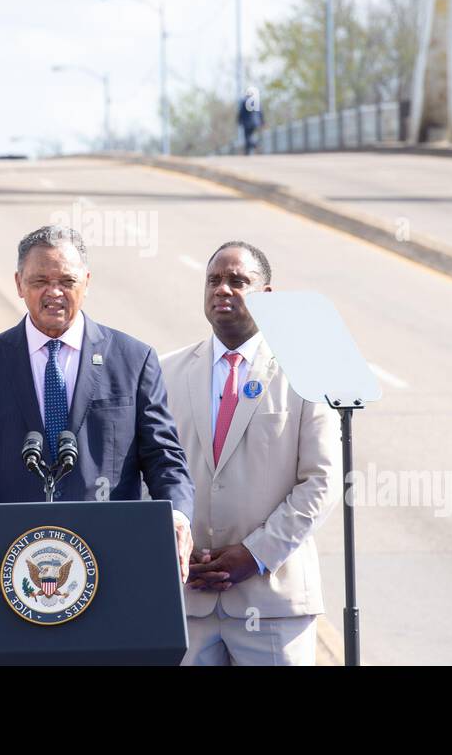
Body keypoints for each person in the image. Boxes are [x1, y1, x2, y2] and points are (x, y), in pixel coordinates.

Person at [0, 225, 195, 582]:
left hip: (109, 558)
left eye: (67, 281)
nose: (53, 292)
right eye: (40, 280)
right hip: (10, 562)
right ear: (18, 283)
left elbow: (163, 457)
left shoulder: (133, 360)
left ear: (87, 282)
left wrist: (178, 516)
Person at [160, 242, 341, 665]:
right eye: (214, 280)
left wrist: (256, 553)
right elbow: (151, 471)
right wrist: (172, 546)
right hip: (187, 599)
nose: (223, 289)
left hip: (273, 602)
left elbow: (321, 481)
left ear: (267, 295)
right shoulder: (166, 371)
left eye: (238, 281)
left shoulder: (304, 373)